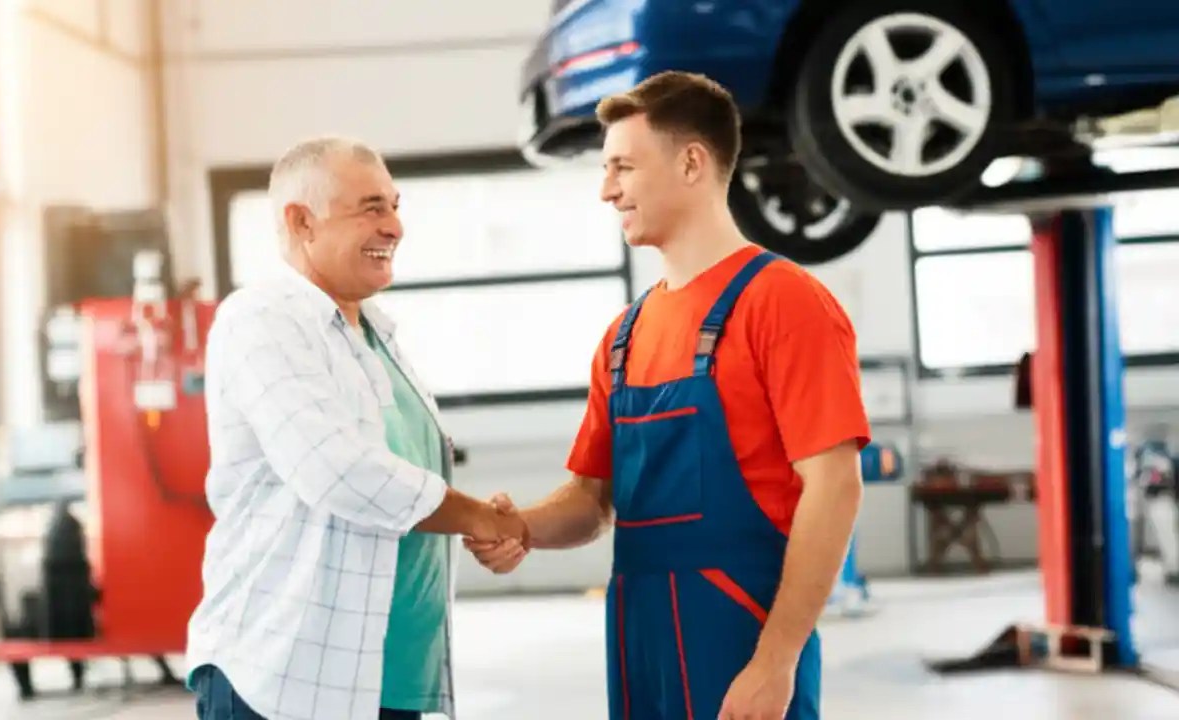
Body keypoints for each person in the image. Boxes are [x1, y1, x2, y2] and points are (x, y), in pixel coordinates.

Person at [467, 71, 870, 720]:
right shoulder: (622, 337)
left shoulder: (784, 302)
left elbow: (835, 485)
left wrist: (777, 660)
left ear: (691, 162)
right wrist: (519, 528)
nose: (606, 190)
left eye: (623, 166)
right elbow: (591, 500)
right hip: (639, 637)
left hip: (740, 638)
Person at [185, 136, 527, 720]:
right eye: (372, 208)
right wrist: (477, 517)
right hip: (286, 678)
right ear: (302, 222)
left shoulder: (375, 335)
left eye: (395, 206)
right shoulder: (263, 318)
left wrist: (486, 522)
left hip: (382, 679)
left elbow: (406, 478)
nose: (395, 226)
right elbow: (335, 469)